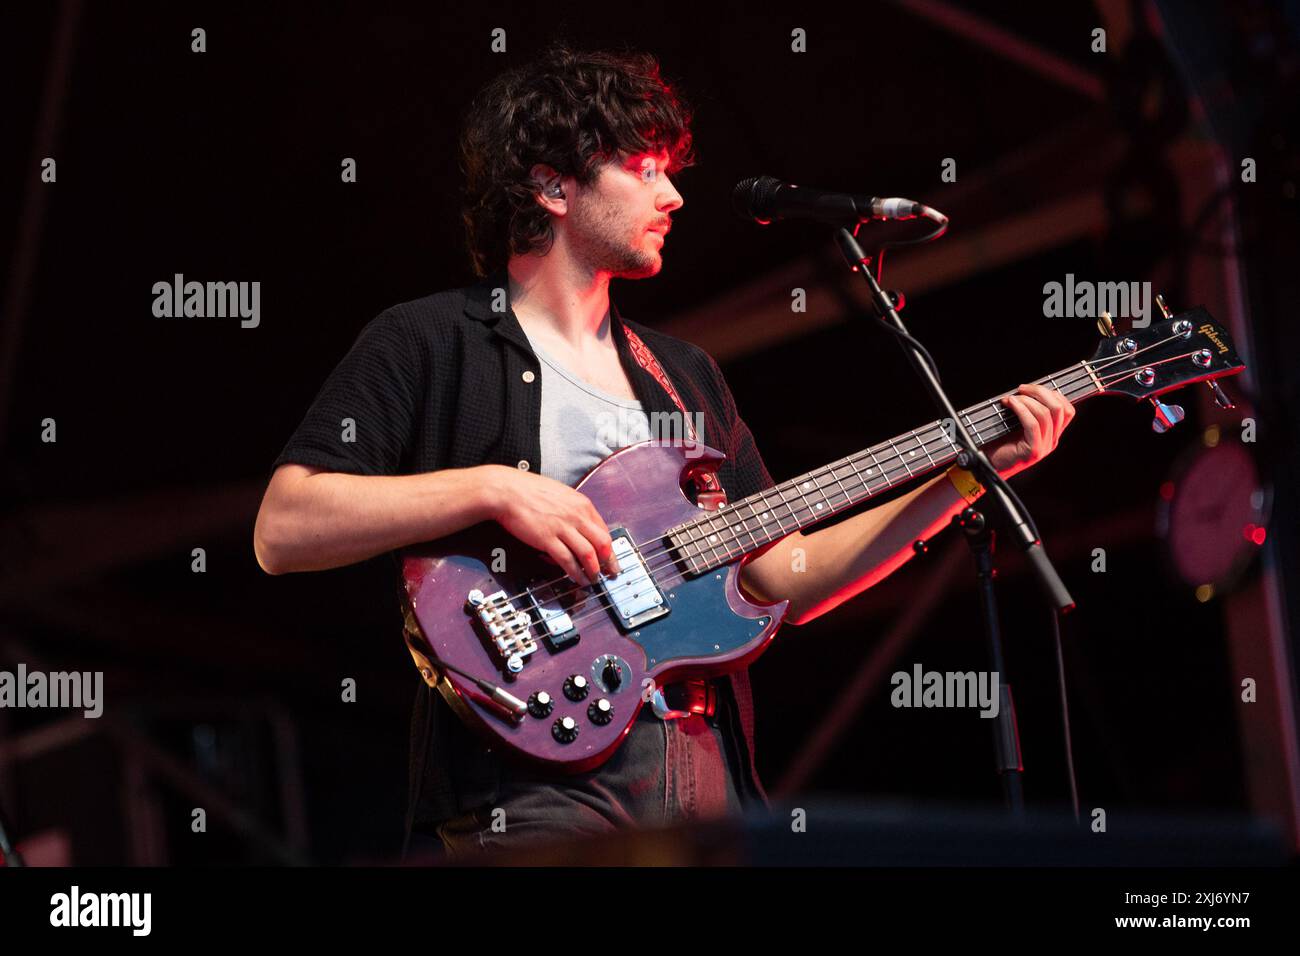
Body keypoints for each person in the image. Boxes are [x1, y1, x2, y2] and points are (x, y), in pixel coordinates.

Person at [252, 44, 1075, 859]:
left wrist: (969, 474)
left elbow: (784, 576)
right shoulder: (429, 340)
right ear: (553, 185)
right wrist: (494, 489)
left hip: (701, 771)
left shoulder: (685, 376)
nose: (674, 194)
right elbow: (283, 529)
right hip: (528, 791)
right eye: (644, 168)